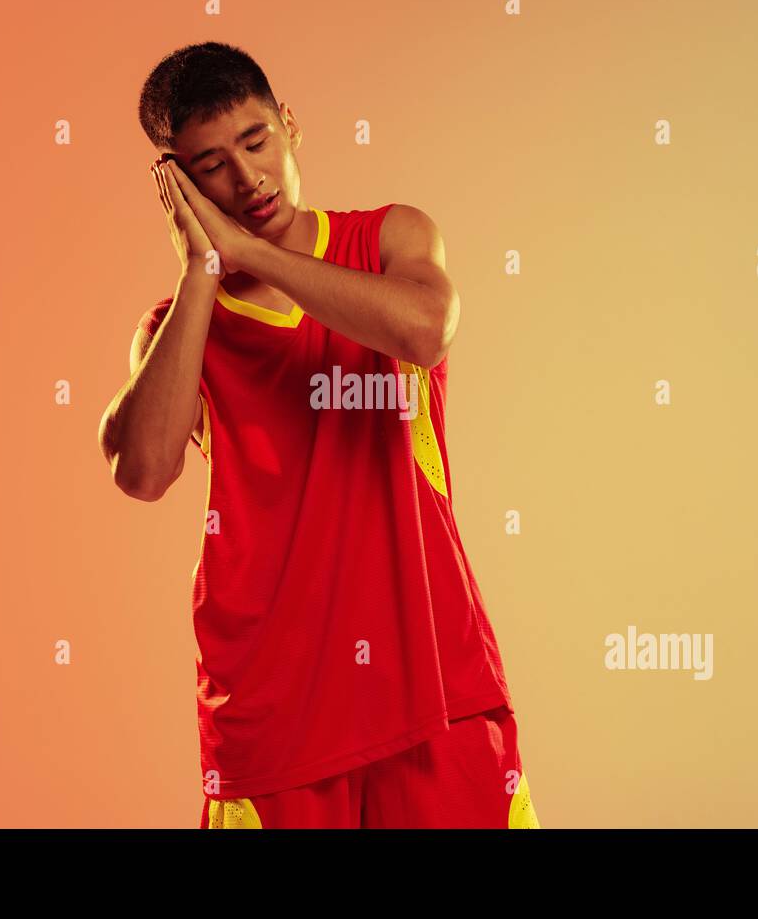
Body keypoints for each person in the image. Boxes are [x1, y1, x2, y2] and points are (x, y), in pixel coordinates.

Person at [98, 41, 539, 829]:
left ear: (290, 126)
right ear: (175, 183)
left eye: (256, 142)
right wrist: (204, 269)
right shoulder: (178, 327)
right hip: (273, 714)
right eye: (210, 165)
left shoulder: (391, 240)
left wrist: (255, 253)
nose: (247, 178)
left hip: (437, 682)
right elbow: (143, 469)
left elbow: (426, 328)